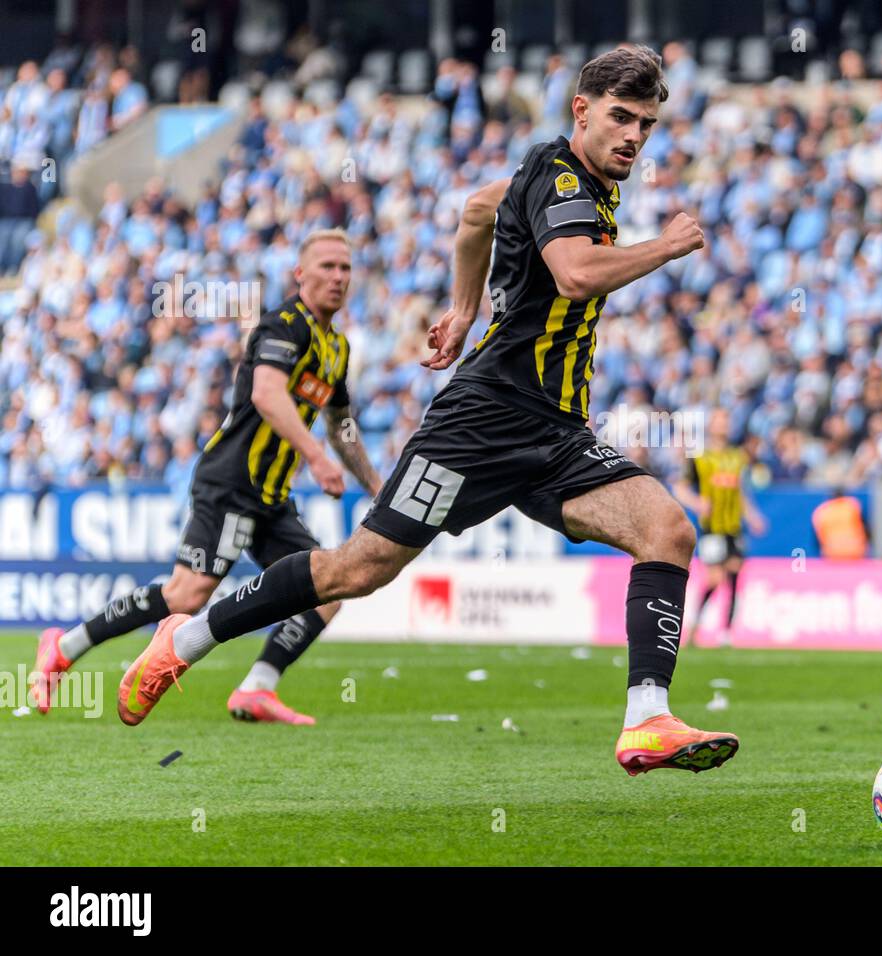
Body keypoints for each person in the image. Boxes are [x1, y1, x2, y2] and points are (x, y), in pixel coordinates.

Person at [114, 46, 740, 777]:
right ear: (582, 111)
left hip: (557, 434)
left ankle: (646, 722)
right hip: (480, 425)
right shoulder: (562, 175)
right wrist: (662, 247)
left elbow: (477, 213)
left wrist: (464, 306)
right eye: (621, 117)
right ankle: (182, 642)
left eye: (648, 124)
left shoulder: (570, 184)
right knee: (361, 568)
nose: (634, 135)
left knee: (666, 528)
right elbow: (574, 275)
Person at [32, 230, 382, 725]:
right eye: (327, 266)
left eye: (346, 268)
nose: (338, 277)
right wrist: (316, 458)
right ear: (300, 273)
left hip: (272, 497)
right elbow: (266, 393)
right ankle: (64, 646)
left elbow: (340, 423)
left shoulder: (337, 348)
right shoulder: (285, 324)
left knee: (329, 590)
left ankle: (257, 688)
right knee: (186, 595)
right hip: (231, 483)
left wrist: (376, 485)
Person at [673, 409, 766, 647]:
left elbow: (741, 492)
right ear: (710, 425)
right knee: (715, 578)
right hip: (711, 528)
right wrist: (696, 503)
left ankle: (726, 632)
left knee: (735, 574)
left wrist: (753, 516)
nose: (724, 424)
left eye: (727, 419)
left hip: (733, 527)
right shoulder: (699, 457)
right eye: (719, 420)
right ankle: (694, 624)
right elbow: (680, 488)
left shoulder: (738, 457)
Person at [812, 489, 868, 560]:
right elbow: (866, 528)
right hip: (856, 551)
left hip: (831, 552)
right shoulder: (853, 506)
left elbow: (817, 537)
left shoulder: (822, 511)